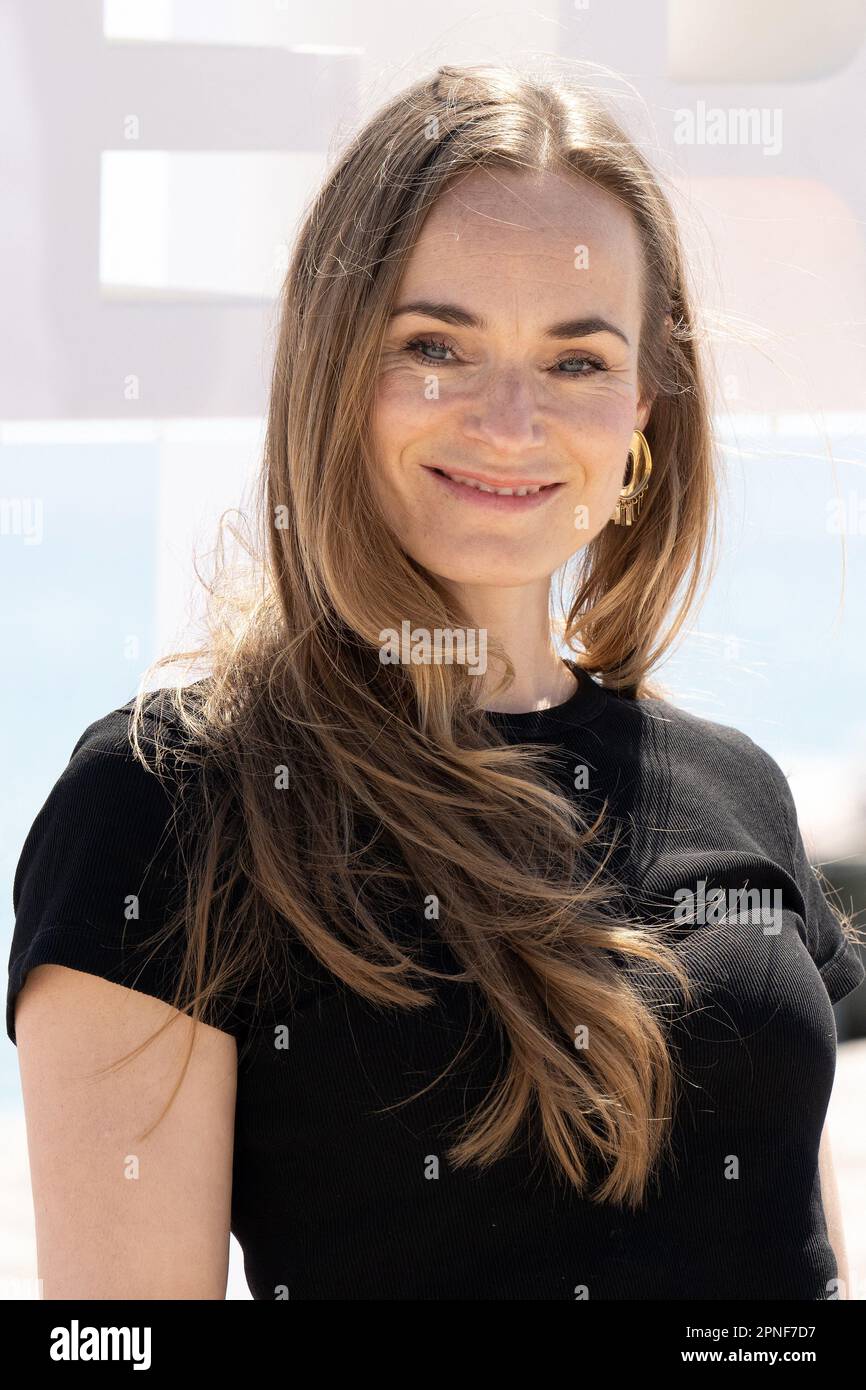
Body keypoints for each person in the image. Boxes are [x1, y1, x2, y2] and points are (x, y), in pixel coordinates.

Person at [7, 63, 863, 1301]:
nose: (509, 420)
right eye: (434, 345)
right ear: (332, 370)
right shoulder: (167, 802)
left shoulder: (736, 787)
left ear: (642, 411)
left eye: (576, 361)